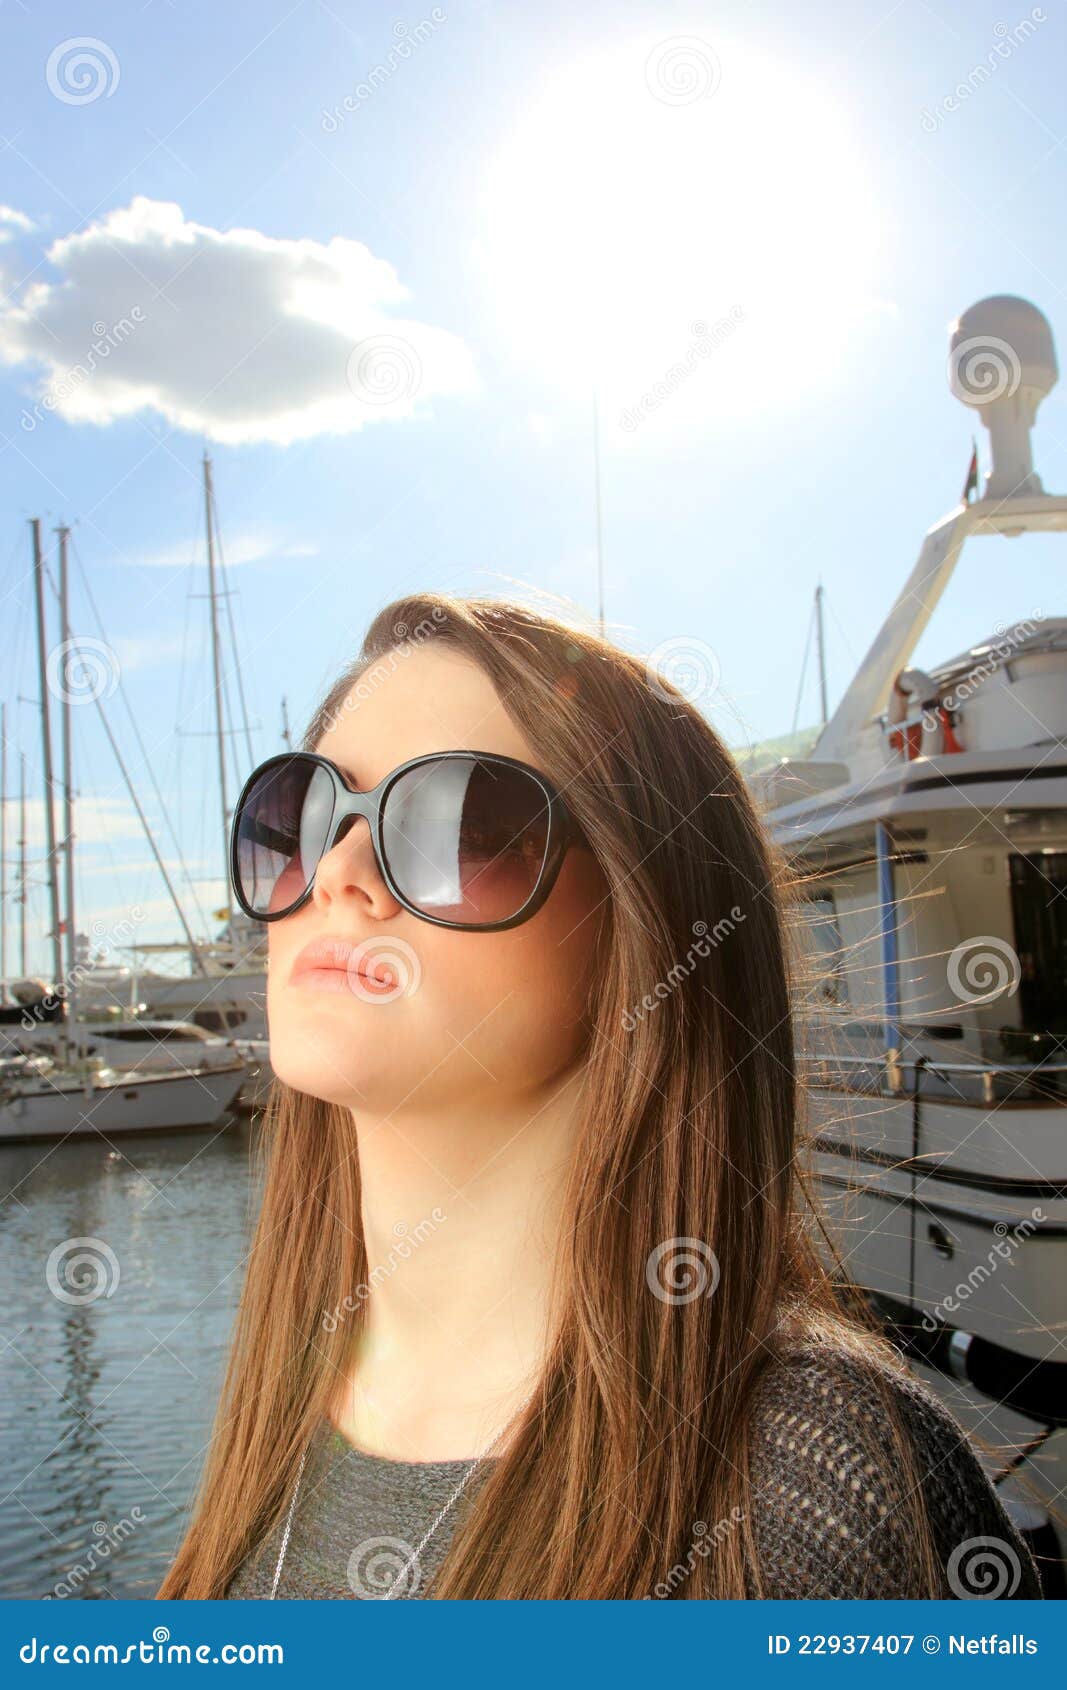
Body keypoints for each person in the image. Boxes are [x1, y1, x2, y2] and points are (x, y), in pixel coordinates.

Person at [158, 592, 1043, 1601]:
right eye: (302, 816)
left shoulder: (813, 1489)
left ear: (644, 921)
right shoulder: (281, 1409)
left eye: (464, 822)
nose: (341, 872)